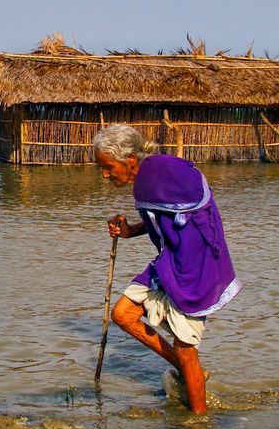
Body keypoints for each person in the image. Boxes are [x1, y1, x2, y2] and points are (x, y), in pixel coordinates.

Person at [93, 124, 241, 413]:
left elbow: (197, 209)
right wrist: (130, 230)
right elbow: (167, 222)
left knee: (187, 351)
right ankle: (192, 374)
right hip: (169, 261)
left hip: (194, 269)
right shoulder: (150, 181)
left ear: (130, 160)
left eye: (108, 167)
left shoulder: (159, 174)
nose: (105, 174)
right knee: (123, 314)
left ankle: (197, 427)